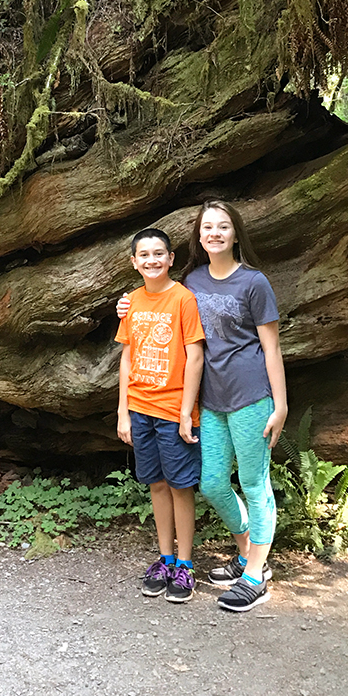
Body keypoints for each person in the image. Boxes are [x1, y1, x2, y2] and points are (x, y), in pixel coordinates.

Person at [117, 200, 287, 613]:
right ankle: (250, 553)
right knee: (211, 483)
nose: (214, 233)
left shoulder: (254, 283)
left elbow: (272, 347)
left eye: (223, 226)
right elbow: (157, 299)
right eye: (207, 227)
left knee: (254, 484)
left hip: (250, 397)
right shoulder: (192, 280)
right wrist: (124, 304)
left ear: (235, 233)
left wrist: (279, 405)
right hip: (209, 401)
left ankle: (255, 575)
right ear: (198, 235)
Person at [116, 227, 205, 603]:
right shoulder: (132, 301)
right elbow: (127, 358)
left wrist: (186, 413)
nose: (151, 260)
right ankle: (165, 558)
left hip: (173, 410)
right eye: (144, 255)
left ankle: (184, 565)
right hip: (140, 408)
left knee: (181, 486)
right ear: (134, 262)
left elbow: (196, 356)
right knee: (155, 484)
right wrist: (123, 412)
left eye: (159, 254)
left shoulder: (183, 299)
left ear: (171, 259)